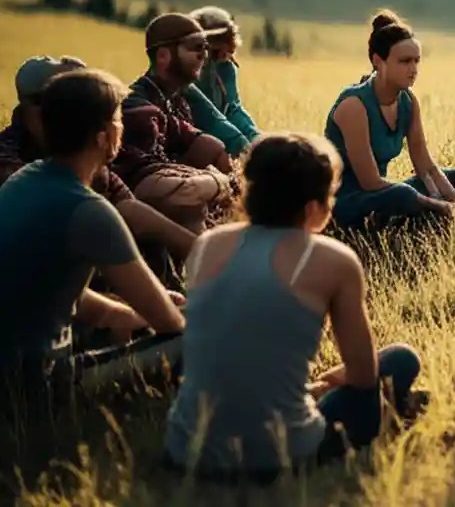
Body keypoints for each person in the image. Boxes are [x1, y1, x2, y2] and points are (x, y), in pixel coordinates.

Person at [164, 133, 421, 479]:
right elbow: (362, 376)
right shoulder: (334, 260)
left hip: (186, 451)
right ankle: (372, 407)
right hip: (280, 455)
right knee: (401, 359)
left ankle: (310, 396)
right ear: (314, 207)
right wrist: (331, 383)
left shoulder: (206, 246)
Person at [0, 70, 186, 421]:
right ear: (104, 137)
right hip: (31, 388)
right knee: (196, 337)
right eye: (119, 120)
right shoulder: (89, 211)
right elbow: (170, 325)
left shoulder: (22, 181)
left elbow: (49, 287)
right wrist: (164, 310)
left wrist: (119, 313)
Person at [0, 56, 195, 287]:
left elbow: (130, 209)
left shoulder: (78, 155)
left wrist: (200, 247)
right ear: (37, 109)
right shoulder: (4, 166)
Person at [323, 10, 455, 230]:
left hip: (384, 194)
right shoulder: (354, 105)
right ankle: (429, 216)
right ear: (378, 62)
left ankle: (447, 217)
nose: (413, 69)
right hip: (348, 201)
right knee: (403, 193)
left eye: (417, 61)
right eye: (404, 61)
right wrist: (439, 205)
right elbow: (370, 182)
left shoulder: (408, 102)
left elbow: (426, 166)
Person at [115, 13, 238, 233]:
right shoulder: (136, 106)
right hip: (137, 202)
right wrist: (219, 181)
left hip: (175, 187)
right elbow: (149, 178)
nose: (204, 54)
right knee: (193, 196)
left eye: (206, 47)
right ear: (163, 56)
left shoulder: (178, 101)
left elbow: (212, 147)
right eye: (195, 47)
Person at [188, 6, 260, 153]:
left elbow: (233, 108)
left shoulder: (226, 68)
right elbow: (208, 117)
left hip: (220, 136)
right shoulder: (187, 73)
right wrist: (242, 145)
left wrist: (256, 138)